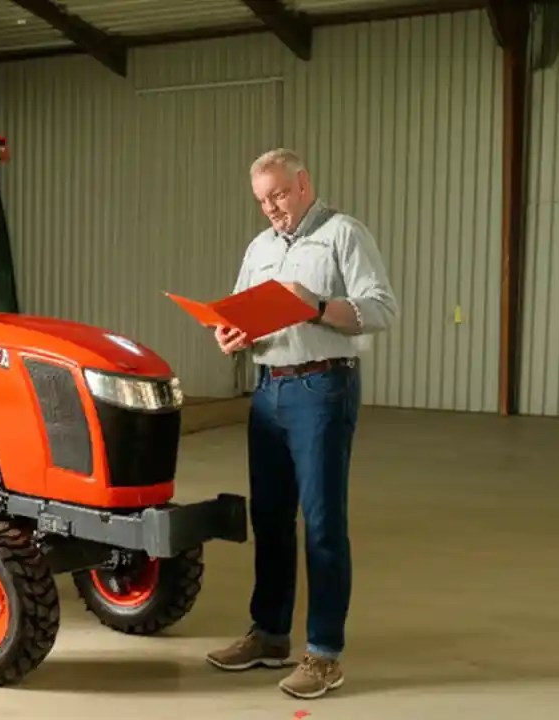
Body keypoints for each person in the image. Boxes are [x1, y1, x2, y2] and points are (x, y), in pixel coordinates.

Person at [204, 148, 398, 699]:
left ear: (304, 183)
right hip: (268, 390)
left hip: (321, 388)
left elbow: (381, 309)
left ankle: (325, 653)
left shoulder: (343, 235)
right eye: (263, 201)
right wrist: (233, 335)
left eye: (279, 195)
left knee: (321, 524)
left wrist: (314, 306)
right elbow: (243, 313)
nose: (271, 208)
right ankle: (269, 635)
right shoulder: (260, 248)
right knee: (269, 518)